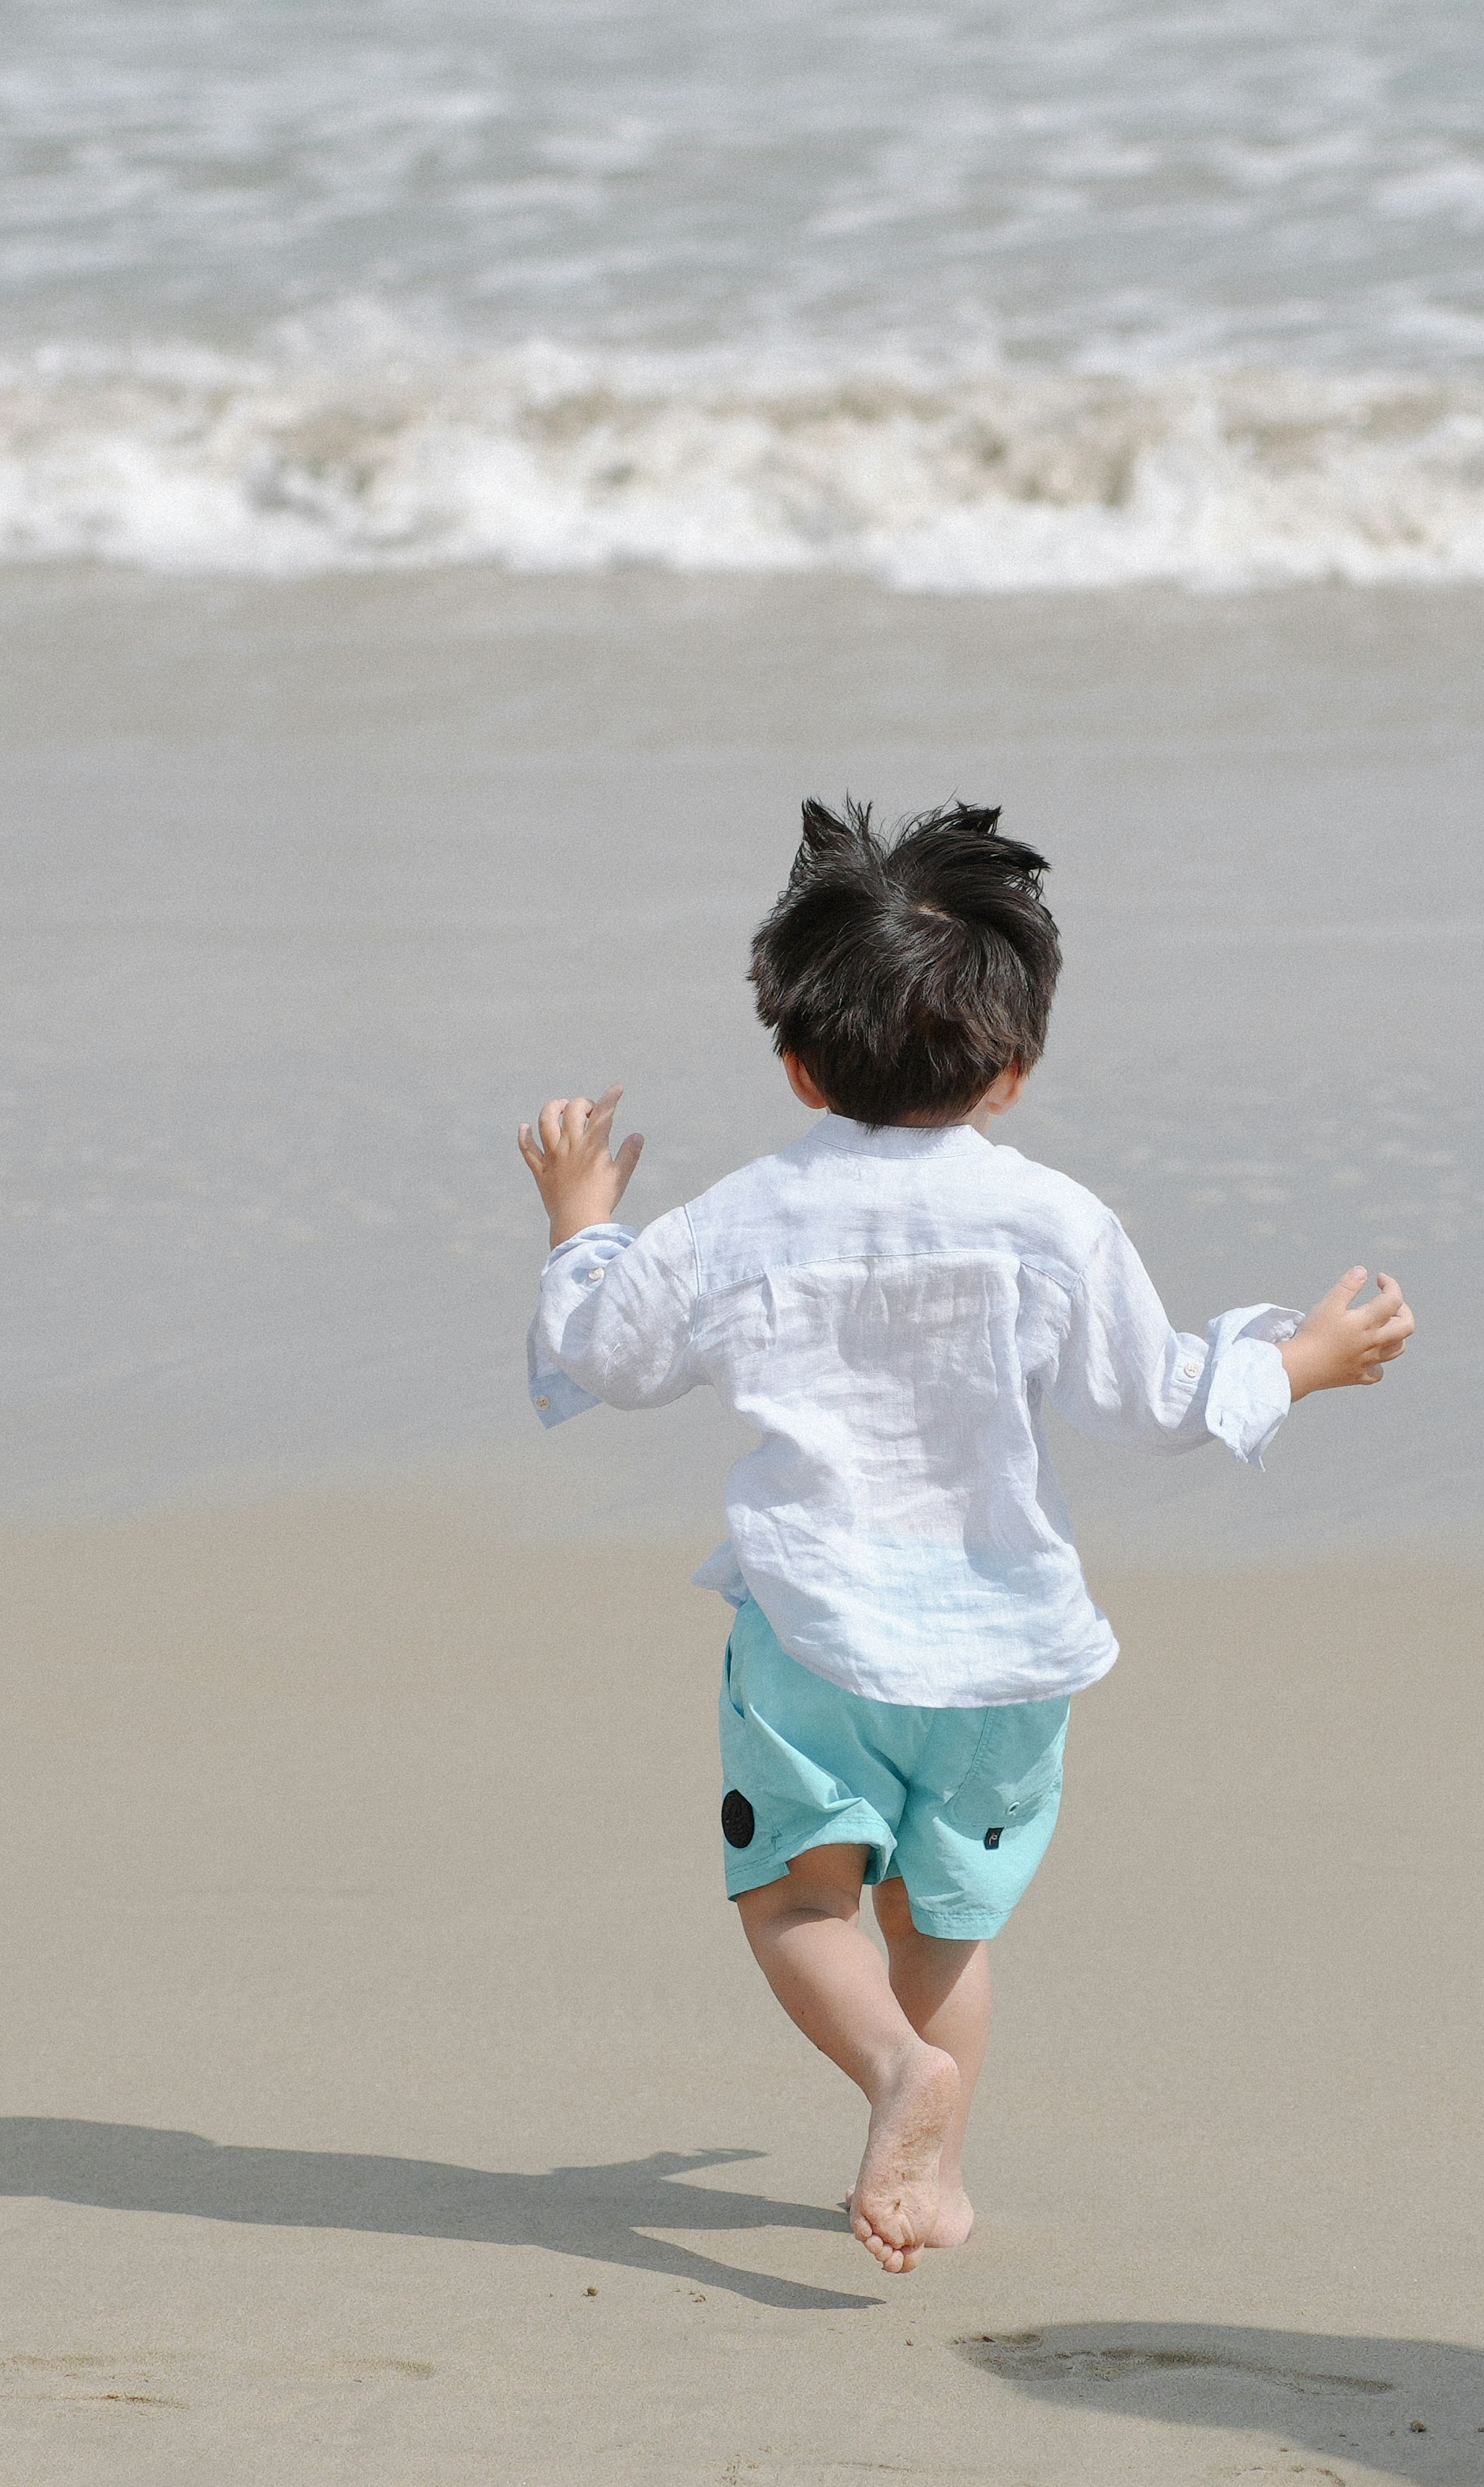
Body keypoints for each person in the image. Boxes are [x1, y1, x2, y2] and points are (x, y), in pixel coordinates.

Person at [518, 798, 1413, 2276]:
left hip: (813, 1642)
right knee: (945, 1923)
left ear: (798, 1067)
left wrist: (578, 1222)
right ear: (1014, 1069)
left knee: (798, 1899)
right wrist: (1301, 1361)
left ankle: (890, 2076)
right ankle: (932, 2173)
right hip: (1008, 1658)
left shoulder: (740, 1220)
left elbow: (609, 1356)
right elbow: (1155, 1396)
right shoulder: (1050, 1222)